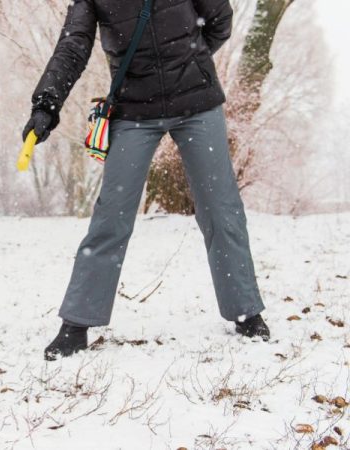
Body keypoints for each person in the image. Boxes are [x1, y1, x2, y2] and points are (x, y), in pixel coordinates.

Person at [22, 0, 270, 361]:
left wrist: (189, 63)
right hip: (134, 112)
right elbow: (73, 45)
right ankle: (76, 324)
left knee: (222, 208)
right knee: (111, 217)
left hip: (197, 104)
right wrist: (46, 105)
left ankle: (246, 311)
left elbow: (220, 20)